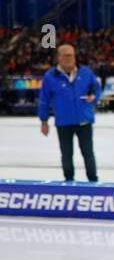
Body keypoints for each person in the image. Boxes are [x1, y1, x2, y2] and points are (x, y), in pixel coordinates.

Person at [37, 43, 100, 183]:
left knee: (88, 153)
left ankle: (93, 181)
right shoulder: (50, 77)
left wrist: (94, 98)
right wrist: (43, 121)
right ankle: (69, 181)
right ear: (58, 57)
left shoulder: (86, 73)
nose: (69, 58)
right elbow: (44, 100)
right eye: (65, 56)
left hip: (84, 120)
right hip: (63, 122)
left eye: (71, 55)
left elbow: (96, 89)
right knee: (66, 154)